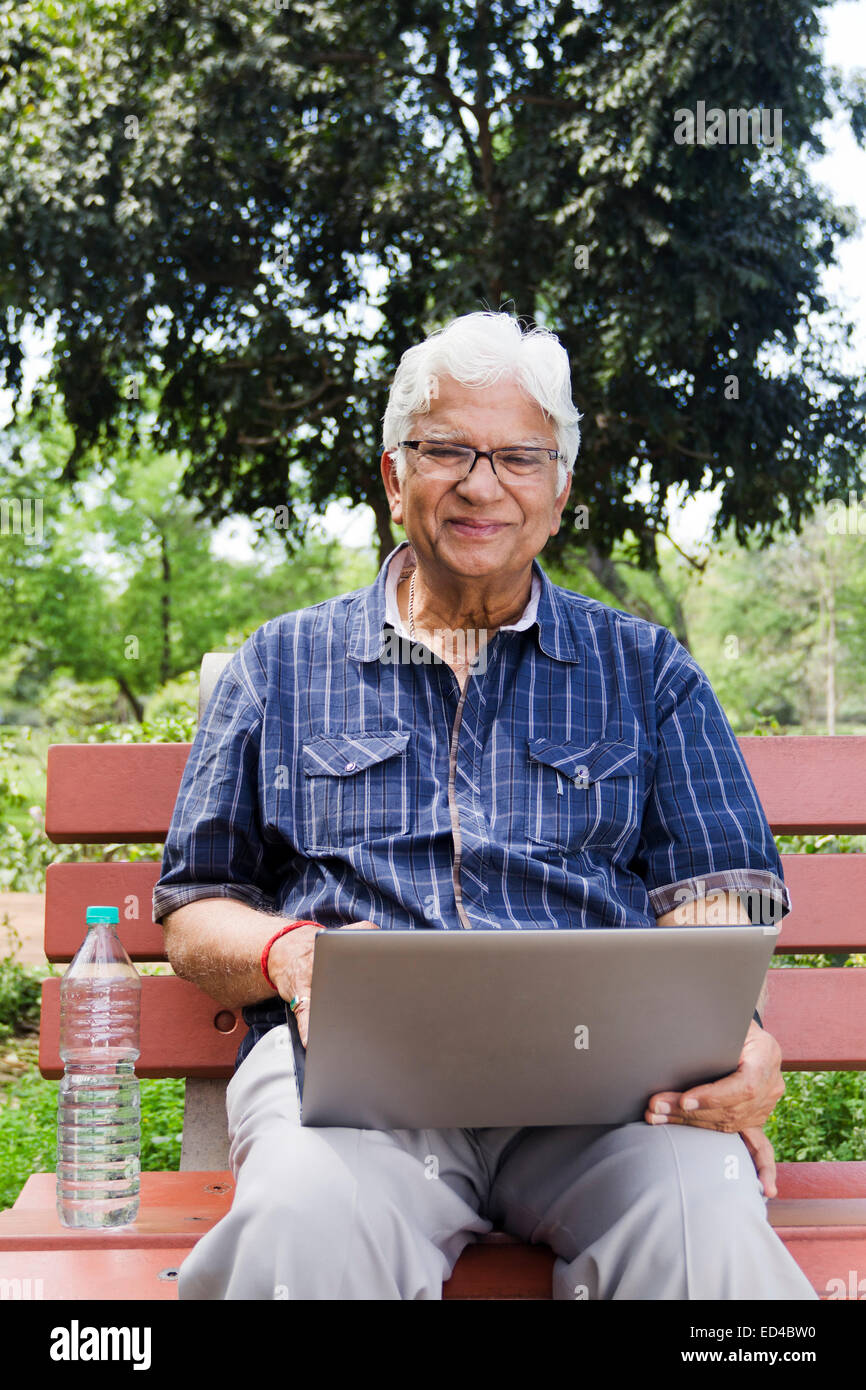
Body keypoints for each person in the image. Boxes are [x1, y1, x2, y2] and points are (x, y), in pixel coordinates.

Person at [153, 311, 817, 1300]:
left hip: (606, 1097)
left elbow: (721, 892)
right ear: (392, 478)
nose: (479, 482)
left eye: (516, 456)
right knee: (299, 1225)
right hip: (353, 1098)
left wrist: (735, 1033)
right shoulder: (279, 664)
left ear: (556, 493)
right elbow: (195, 904)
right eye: (445, 450)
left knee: (702, 1230)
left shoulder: (646, 672)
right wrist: (285, 954)